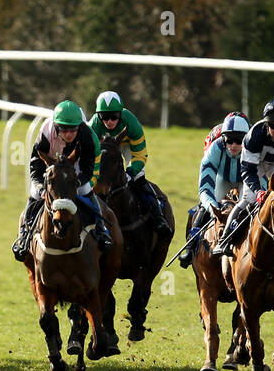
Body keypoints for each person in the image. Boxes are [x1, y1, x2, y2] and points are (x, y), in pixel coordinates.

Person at [13, 99, 113, 263]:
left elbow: (88, 169)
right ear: (55, 126)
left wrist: (75, 183)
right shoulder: (45, 132)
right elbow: (36, 165)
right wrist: (40, 187)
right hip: (50, 169)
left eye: (73, 129)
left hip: (76, 169)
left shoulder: (86, 135)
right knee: (34, 195)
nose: (69, 134)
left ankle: (102, 231)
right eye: (64, 129)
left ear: (79, 126)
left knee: (86, 191)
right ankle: (23, 236)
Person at [217, 98, 274, 259]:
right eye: (273, 126)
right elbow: (247, 169)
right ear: (266, 124)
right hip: (257, 165)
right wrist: (258, 190)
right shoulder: (253, 135)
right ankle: (225, 239)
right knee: (249, 198)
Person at [87, 91, 169, 234]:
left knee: (138, 178)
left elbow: (140, 154)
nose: (109, 121)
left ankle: (159, 217)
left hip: (127, 146)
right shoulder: (93, 125)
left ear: (121, 113)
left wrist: (130, 172)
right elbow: (88, 154)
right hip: (103, 149)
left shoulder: (131, 122)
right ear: (98, 116)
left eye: (114, 116)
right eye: (104, 117)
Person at [179, 112, 250, 268]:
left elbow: (259, 184)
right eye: (229, 141)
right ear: (222, 139)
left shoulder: (254, 147)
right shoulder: (215, 147)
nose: (233, 146)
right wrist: (213, 208)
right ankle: (190, 248)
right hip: (222, 179)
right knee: (205, 207)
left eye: (239, 141)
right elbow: (204, 189)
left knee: (253, 207)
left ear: (246, 139)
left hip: (245, 178)